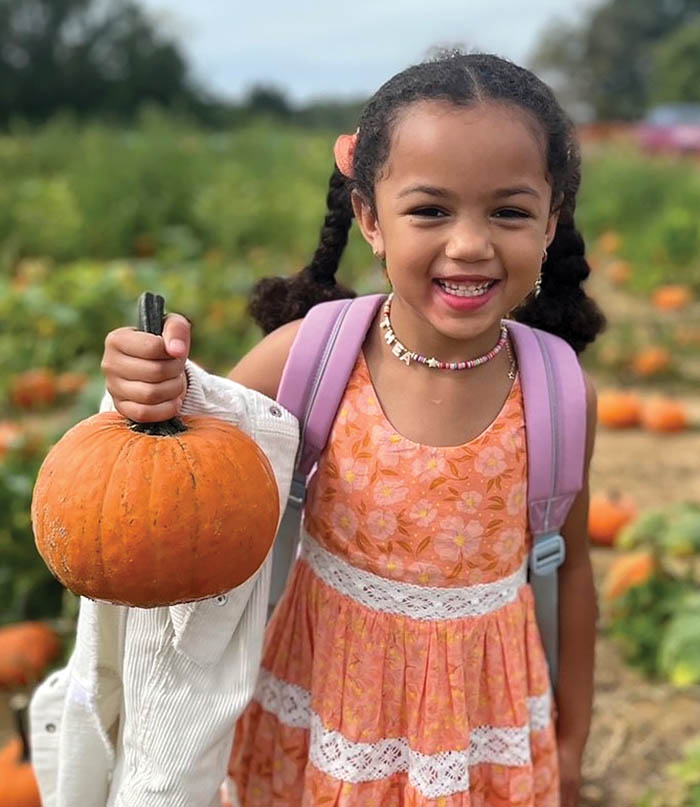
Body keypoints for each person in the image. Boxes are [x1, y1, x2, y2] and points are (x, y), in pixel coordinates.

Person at [80, 49, 603, 807]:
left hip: (481, 730)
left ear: (550, 224)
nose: (470, 244)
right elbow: (183, 437)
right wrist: (148, 386)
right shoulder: (314, 357)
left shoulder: (557, 393)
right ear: (370, 218)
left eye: (510, 212)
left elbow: (572, 568)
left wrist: (573, 737)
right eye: (430, 210)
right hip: (324, 710)